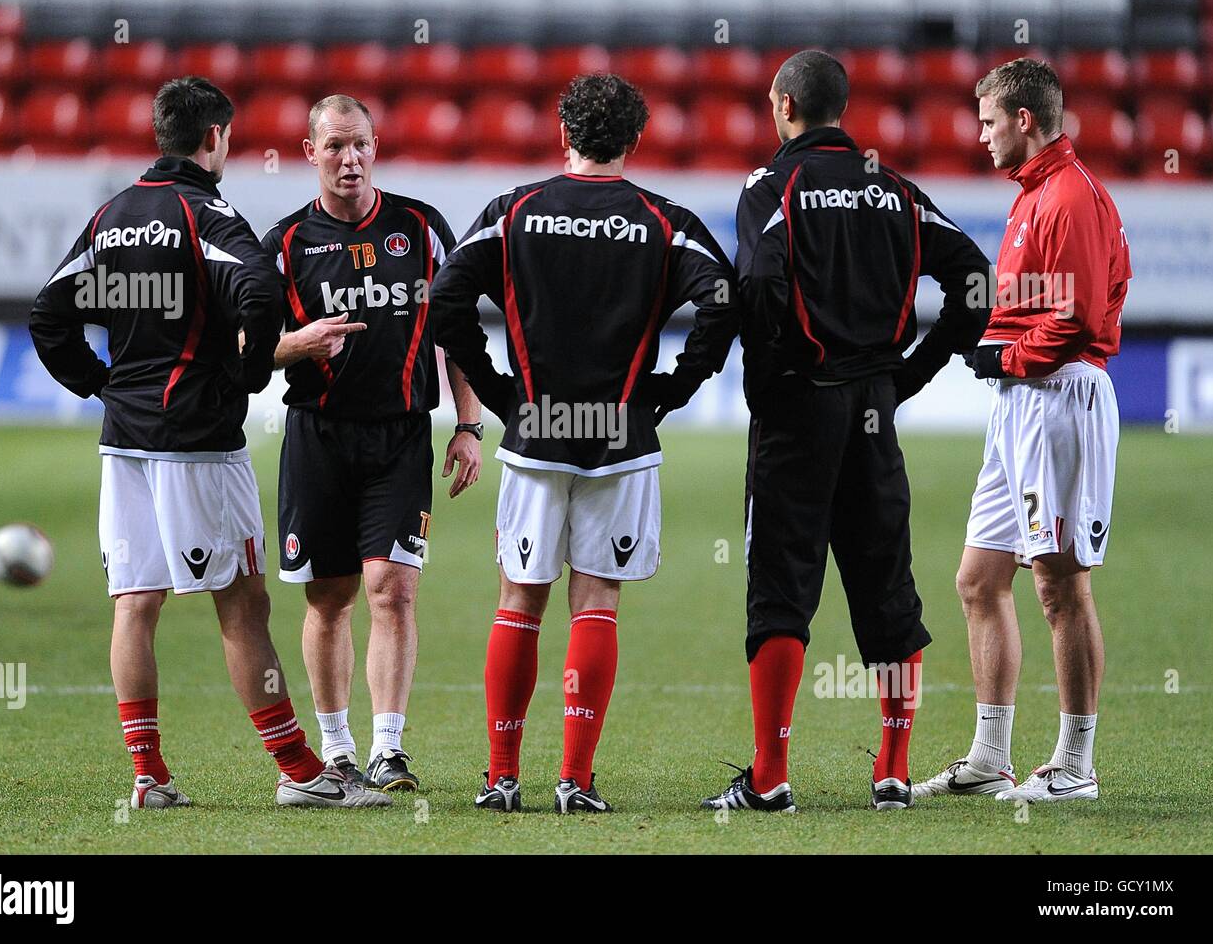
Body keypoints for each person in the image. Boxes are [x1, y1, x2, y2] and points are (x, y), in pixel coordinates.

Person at [29, 76, 388, 810]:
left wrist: (101, 386)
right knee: (243, 605)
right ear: (216, 138)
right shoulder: (208, 213)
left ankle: (150, 777)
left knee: (135, 604)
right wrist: (246, 374)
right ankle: (301, 773)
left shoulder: (113, 215)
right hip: (196, 440)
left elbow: (47, 314)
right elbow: (257, 294)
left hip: (125, 441)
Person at [428, 73, 740, 813]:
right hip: (622, 437)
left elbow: (443, 298)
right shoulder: (663, 219)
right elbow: (725, 300)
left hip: (537, 435)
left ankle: (502, 778)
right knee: (595, 599)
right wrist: (675, 387)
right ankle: (575, 780)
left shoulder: (515, 211)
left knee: (518, 600)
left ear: (563, 134)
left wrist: (503, 394)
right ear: (634, 141)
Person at [700, 50, 991, 813]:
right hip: (872, 411)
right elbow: (974, 280)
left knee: (781, 590)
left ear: (786, 104)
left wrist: (774, 370)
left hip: (799, 412)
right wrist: (909, 375)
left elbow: (757, 281)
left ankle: (769, 778)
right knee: (886, 587)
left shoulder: (770, 187)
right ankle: (893, 771)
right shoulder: (892, 189)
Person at [914, 59, 1130, 804]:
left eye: (987, 121)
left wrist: (1004, 352)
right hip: (1021, 403)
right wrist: (1002, 352)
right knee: (979, 580)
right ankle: (990, 756)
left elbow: (1076, 319)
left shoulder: (1068, 197)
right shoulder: (1039, 194)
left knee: (1060, 584)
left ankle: (1075, 766)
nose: (979, 136)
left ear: (1025, 120)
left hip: (1057, 400)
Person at [260, 94, 481, 792]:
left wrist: (470, 424)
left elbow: (458, 333)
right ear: (310, 153)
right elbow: (246, 348)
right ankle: (336, 751)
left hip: (401, 436)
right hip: (317, 437)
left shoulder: (421, 228)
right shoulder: (286, 243)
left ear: (375, 146)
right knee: (329, 597)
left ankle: (389, 750)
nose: (348, 159)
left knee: (393, 589)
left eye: (359, 145)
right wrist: (299, 342)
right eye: (334, 147)